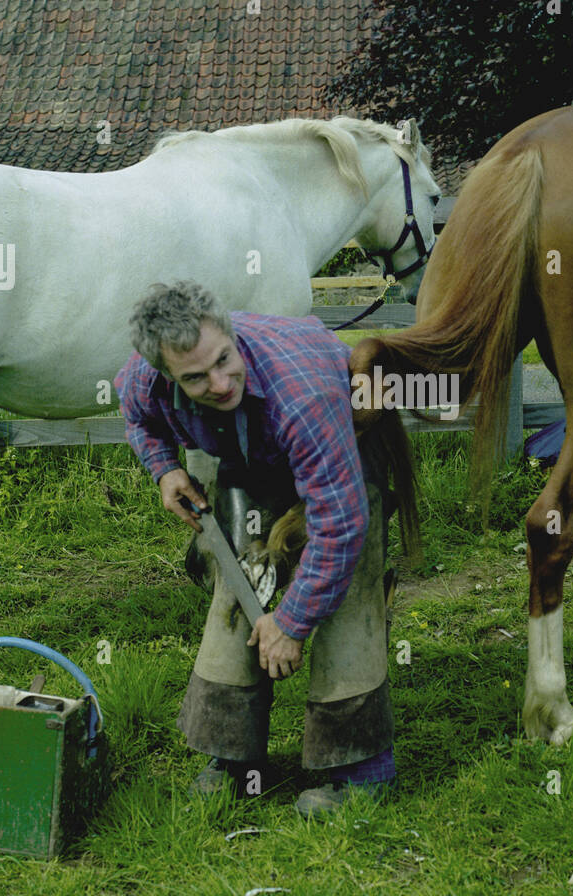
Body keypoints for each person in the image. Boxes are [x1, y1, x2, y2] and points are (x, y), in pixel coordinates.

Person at [115, 280, 409, 819]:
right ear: (165, 374)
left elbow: (340, 526)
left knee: (348, 591)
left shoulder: (302, 395)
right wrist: (165, 469)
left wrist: (291, 624)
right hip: (250, 453)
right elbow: (137, 417)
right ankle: (233, 756)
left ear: (230, 335)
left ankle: (361, 769)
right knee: (239, 579)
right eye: (196, 378)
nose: (219, 383)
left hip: (342, 441)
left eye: (224, 361)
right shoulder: (144, 377)